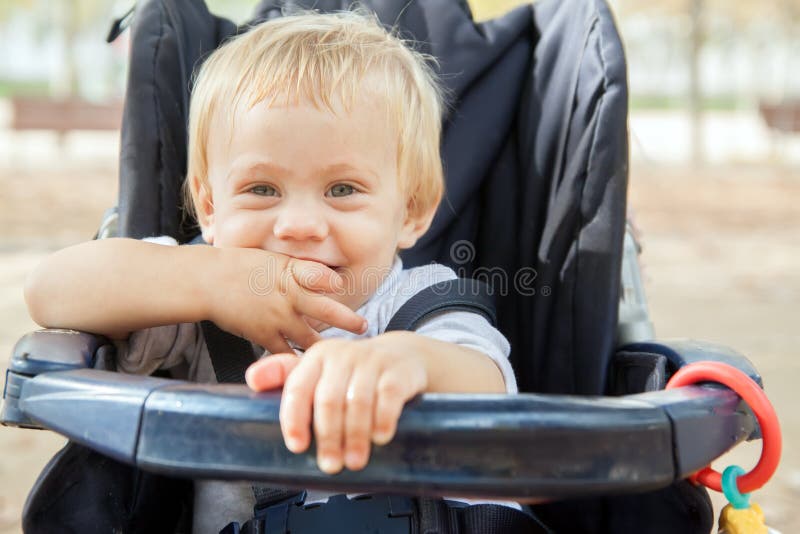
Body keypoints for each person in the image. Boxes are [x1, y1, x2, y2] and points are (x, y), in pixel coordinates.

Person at [24, 11, 521, 533]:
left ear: (413, 209)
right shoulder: (194, 310)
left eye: (343, 189)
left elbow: (487, 387)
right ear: (210, 207)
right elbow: (47, 291)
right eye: (262, 190)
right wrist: (204, 281)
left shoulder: (418, 302)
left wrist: (409, 363)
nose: (300, 225)